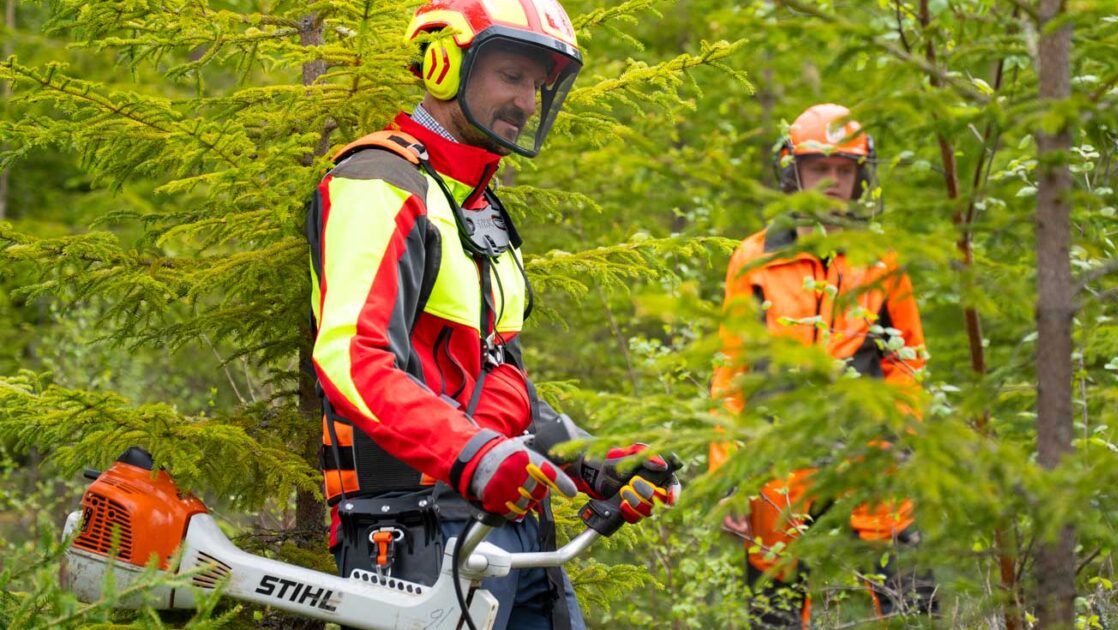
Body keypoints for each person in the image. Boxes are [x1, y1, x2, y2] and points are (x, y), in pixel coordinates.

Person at [304, 1, 678, 627]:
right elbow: (351, 358)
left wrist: (592, 460)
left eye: (536, 85)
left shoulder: (476, 204)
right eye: (511, 76)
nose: (527, 101)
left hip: (506, 520)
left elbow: (497, 382)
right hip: (415, 526)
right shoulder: (380, 184)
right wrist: (474, 455)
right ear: (444, 65)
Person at [710, 104, 937, 627]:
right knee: (774, 605)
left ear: (861, 176)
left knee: (911, 597)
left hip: (871, 450)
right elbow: (732, 370)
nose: (832, 181)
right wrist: (729, 473)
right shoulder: (754, 258)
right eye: (819, 168)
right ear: (794, 171)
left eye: (843, 169)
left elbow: (907, 360)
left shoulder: (881, 259)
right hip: (779, 453)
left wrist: (902, 437)